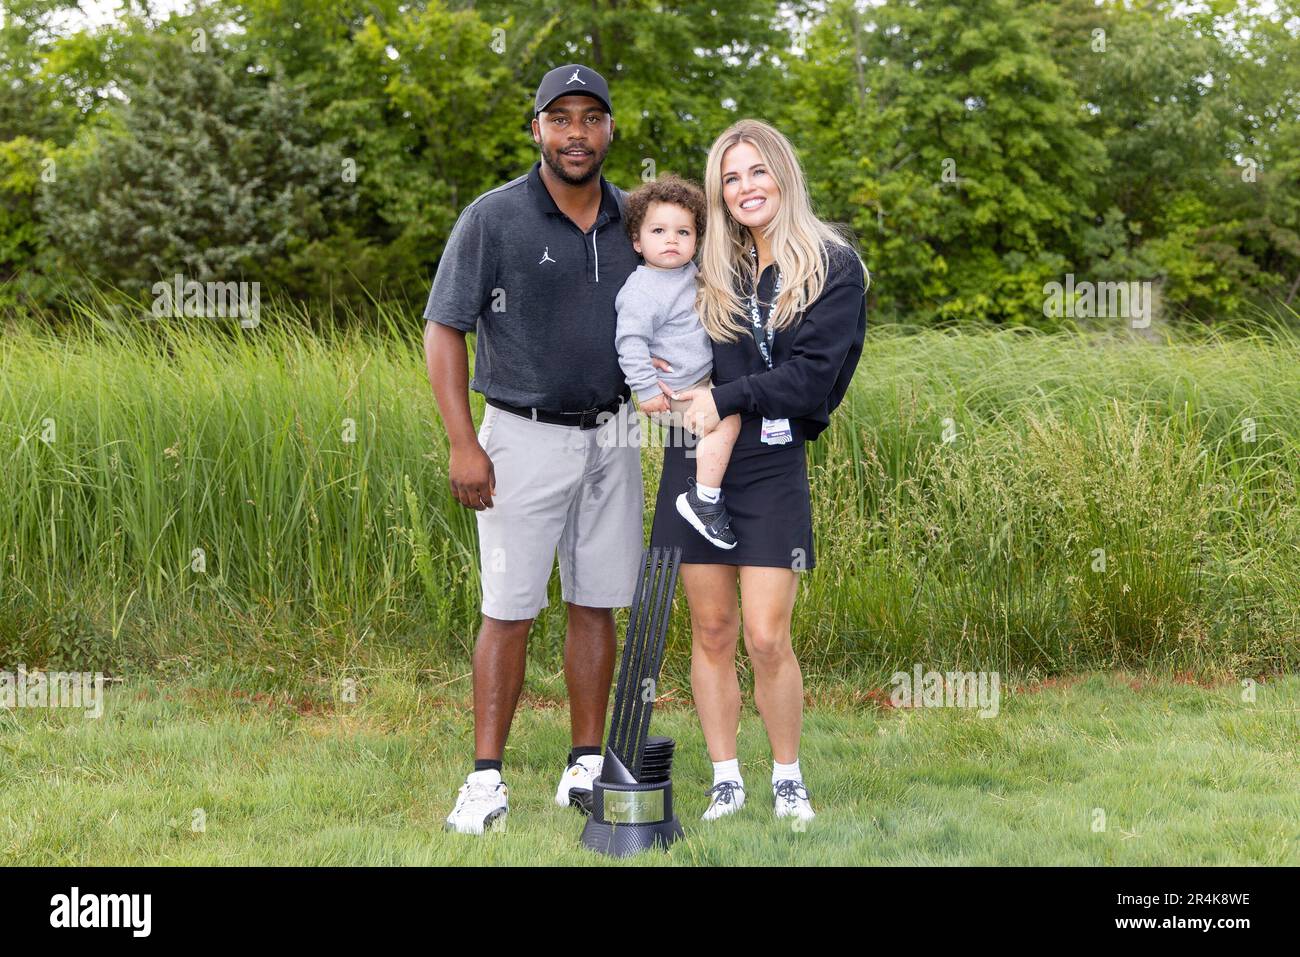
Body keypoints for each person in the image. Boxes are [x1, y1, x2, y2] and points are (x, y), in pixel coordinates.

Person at [423, 64, 643, 835]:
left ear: (611, 130)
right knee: (509, 608)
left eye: (591, 117)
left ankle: (585, 765)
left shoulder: (635, 219)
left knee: (597, 599)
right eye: (561, 118)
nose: (576, 133)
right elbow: (444, 328)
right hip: (519, 434)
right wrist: (462, 442)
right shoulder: (493, 218)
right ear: (537, 129)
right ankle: (486, 778)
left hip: (616, 434)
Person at [646, 119, 868, 823]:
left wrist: (725, 395)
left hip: (772, 464)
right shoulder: (711, 265)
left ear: (783, 174)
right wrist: (650, 368)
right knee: (710, 629)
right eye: (731, 178)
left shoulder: (835, 265)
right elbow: (654, 319)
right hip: (698, 462)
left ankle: (788, 776)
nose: (745, 188)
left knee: (766, 634)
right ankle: (725, 778)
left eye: (756, 172)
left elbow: (808, 383)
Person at [614, 175, 743, 549]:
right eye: (658, 230)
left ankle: (708, 488)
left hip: (701, 381)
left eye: (683, 232)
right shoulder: (641, 290)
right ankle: (703, 499)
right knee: (728, 419)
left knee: (733, 411)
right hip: (673, 393)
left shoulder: (692, 274)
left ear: (695, 241)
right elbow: (630, 341)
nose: (672, 239)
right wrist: (647, 389)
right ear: (637, 242)